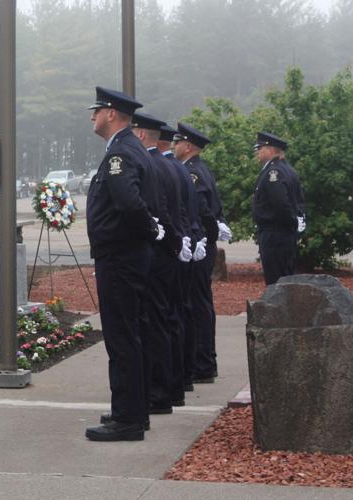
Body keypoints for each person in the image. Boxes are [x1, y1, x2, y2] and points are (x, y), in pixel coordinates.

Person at [84, 87, 162, 442]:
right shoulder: (129, 148)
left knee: (122, 337)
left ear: (112, 113)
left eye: (97, 110)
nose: (93, 116)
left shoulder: (121, 152)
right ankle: (134, 410)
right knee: (132, 333)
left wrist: (148, 228)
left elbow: (129, 202)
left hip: (120, 256)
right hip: (127, 255)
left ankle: (127, 419)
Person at [132, 113, 192, 413]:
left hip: (158, 251)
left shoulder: (151, 165)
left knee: (155, 322)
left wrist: (169, 242)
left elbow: (158, 212)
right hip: (170, 250)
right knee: (168, 318)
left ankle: (159, 392)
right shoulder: (171, 165)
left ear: (142, 135)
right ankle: (174, 386)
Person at [174, 123, 223, 384]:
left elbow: (202, 209)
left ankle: (202, 363)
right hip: (203, 244)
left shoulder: (192, 172)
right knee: (201, 302)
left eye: (178, 142)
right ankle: (205, 361)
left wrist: (208, 234)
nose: (174, 146)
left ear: (188, 146)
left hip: (199, 246)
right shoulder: (200, 169)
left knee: (197, 305)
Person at [159, 124, 204, 394]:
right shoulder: (179, 168)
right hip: (183, 243)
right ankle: (184, 375)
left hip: (171, 248)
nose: (176, 146)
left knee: (169, 315)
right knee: (181, 310)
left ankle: (175, 381)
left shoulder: (167, 168)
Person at [252, 131, 301, 285]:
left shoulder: (274, 172)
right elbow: (299, 202)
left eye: (260, 148)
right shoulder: (288, 169)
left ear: (271, 150)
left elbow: (281, 204)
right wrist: (297, 220)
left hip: (275, 234)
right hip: (284, 234)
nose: (257, 152)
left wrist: (292, 222)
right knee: (286, 279)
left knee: (276, 281)